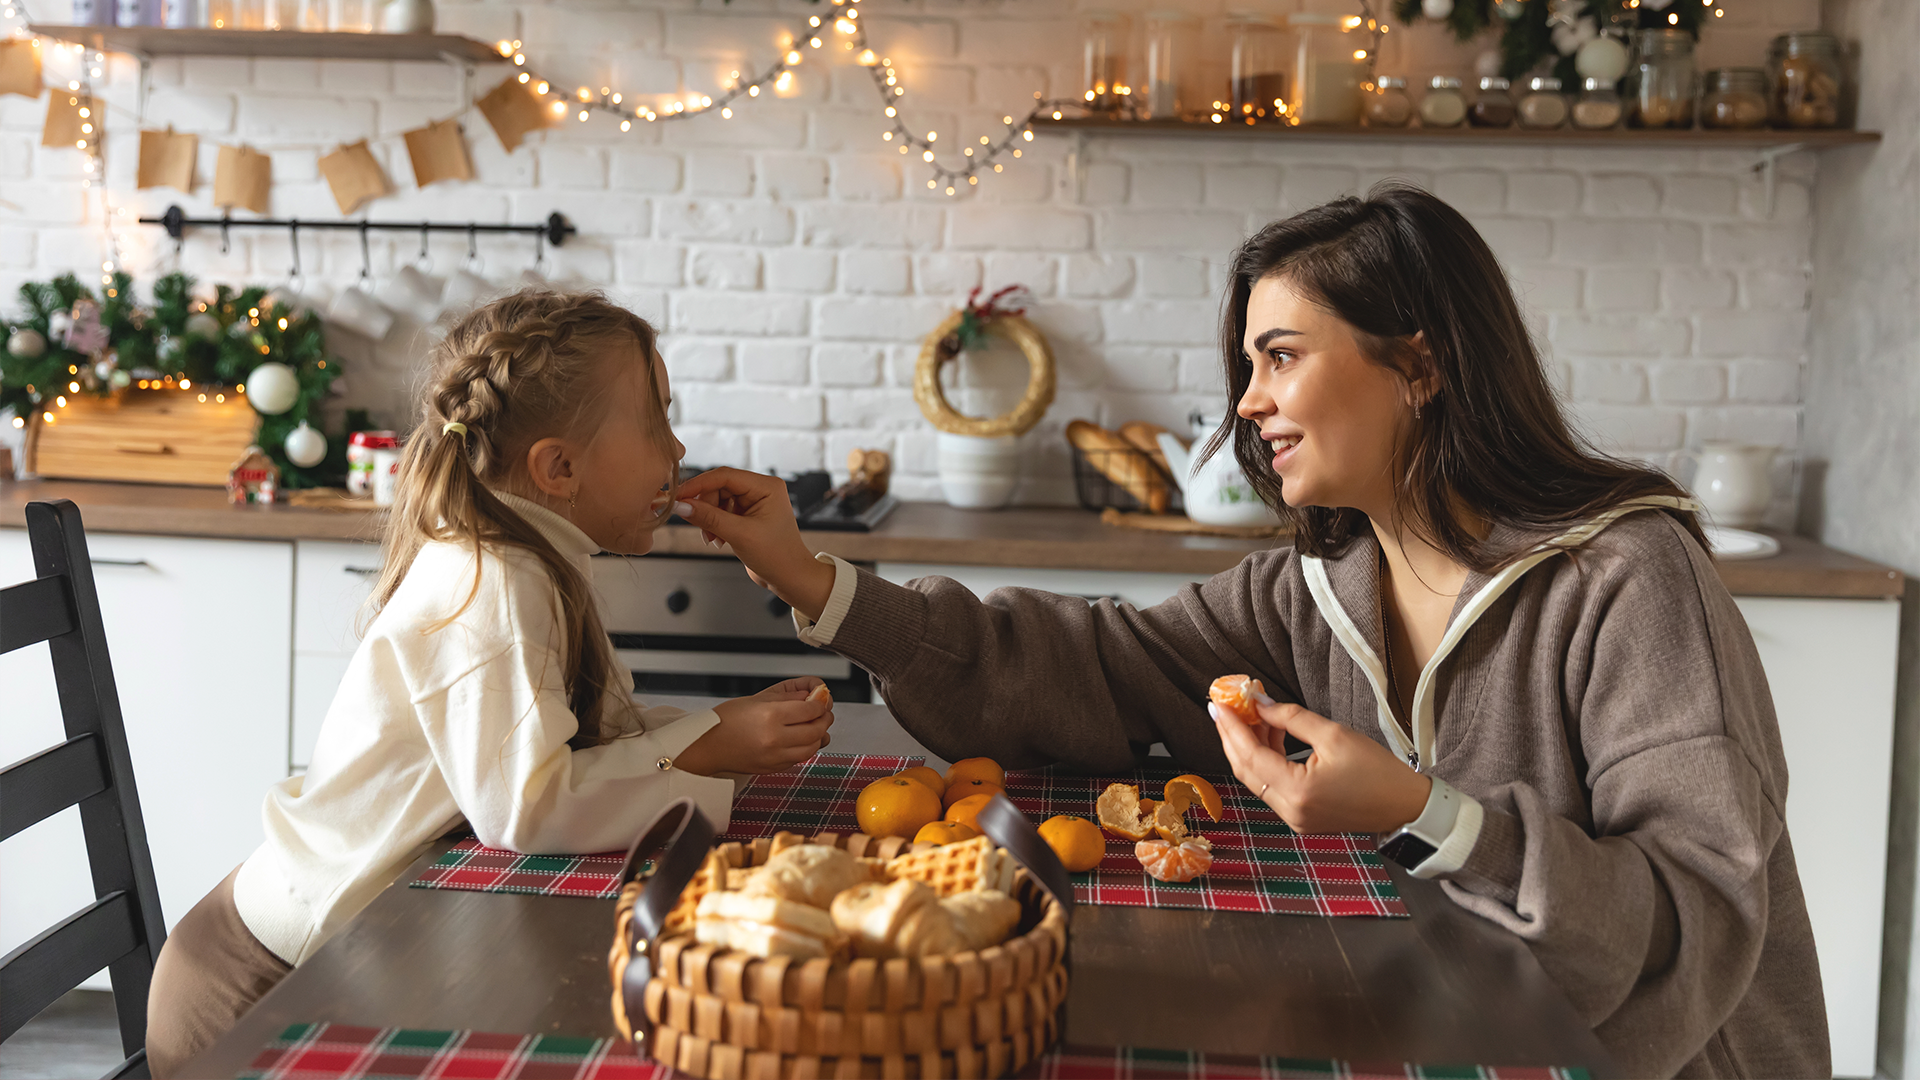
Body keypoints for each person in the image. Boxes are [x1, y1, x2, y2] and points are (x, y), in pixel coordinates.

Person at [671, 185, 1828, 1078]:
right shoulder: (1313, 585)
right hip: (1445, 1029)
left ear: (1418, 364)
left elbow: (1700, 920)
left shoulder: (1628, 577)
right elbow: (1088, 663)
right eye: (1248, 364)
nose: (1245, 402)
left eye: (1280, 356)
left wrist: (1424, 816)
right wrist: (814, 575)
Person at [144, 290, 835, 1076]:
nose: (679, 452)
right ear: (560, 467)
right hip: (260, 992)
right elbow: (527, 805)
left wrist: (721, 727)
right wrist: (710, 748)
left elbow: (586, 736)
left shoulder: (533, 555)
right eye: (658, 422)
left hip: (327, 952)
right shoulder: (497, 579)